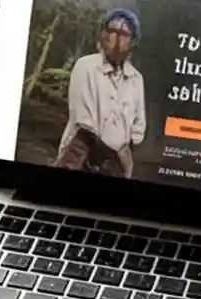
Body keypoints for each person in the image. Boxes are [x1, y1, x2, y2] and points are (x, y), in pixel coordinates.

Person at [55, 8, 146, 178]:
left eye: (124, 34)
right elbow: (83, 119)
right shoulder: (86, 66)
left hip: (117, 163)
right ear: (103, 36)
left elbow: (139, 124)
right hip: (80, 153)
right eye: (112, 31)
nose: (116, 39)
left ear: (132, 41)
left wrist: (126, 153)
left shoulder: (136, 79)